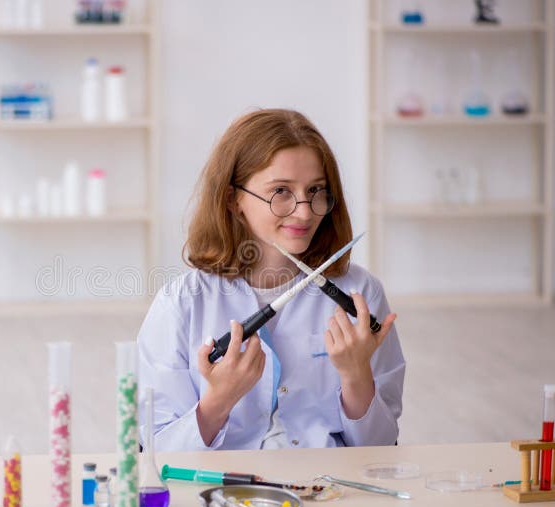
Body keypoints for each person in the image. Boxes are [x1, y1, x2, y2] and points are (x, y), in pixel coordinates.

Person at [138, 109, 404, 451]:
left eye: (316, 190)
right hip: (222, 494)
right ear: (234, 200)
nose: (305, 211)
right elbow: (157, 452)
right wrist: (217, 403)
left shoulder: (361, 295)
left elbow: (380, 447)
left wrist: (356, 376)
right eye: (281, 191)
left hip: (330, 489)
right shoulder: (182, 303)